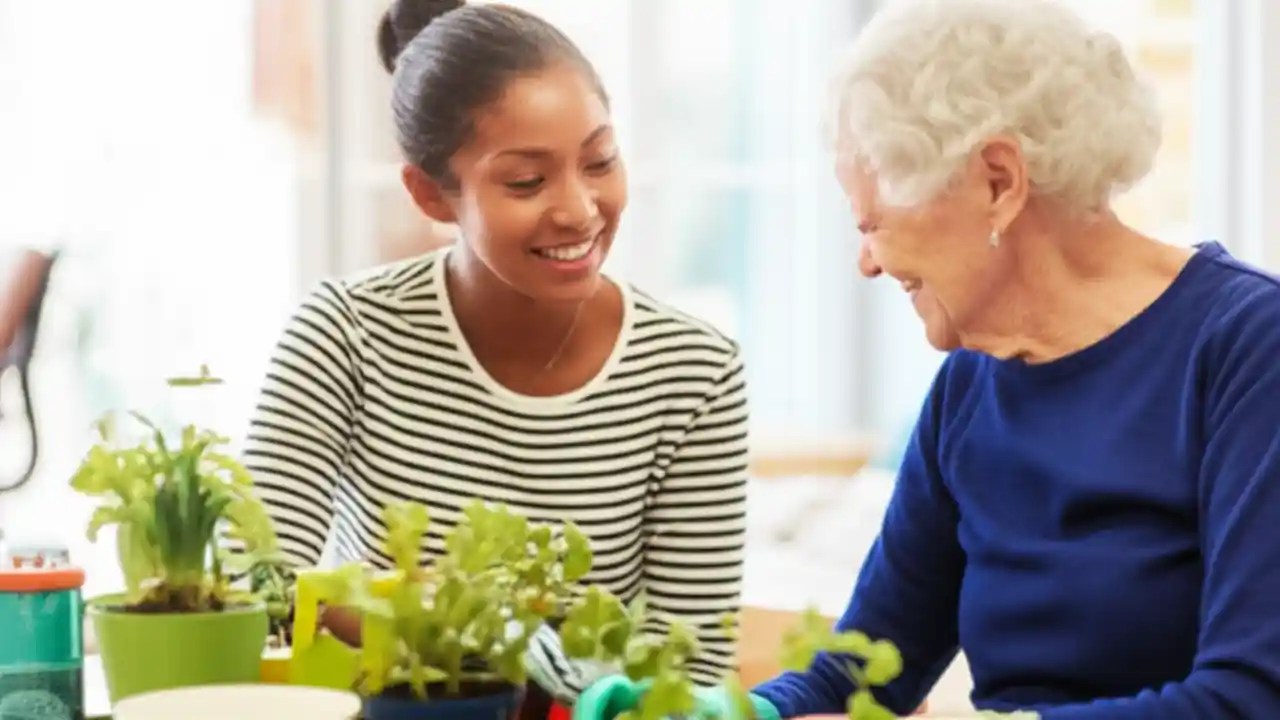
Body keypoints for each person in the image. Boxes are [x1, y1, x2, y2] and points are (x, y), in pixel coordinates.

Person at [579, 0, 1280, 718]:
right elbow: (856, 676)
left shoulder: (1248, 347)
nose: (867, 263)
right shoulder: (970, 386)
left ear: (998, 182)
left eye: (872, 223)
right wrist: (733, 714)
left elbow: (1250, 698)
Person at [240, 0, 749, 713]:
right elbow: (252, 590)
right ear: (430, 193)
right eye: (525, 181)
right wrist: (449, 625)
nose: (579, 209)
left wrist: (469, 625)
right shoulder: (347, 331)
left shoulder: (695, 369)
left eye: (600, 160)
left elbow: (686, 675)